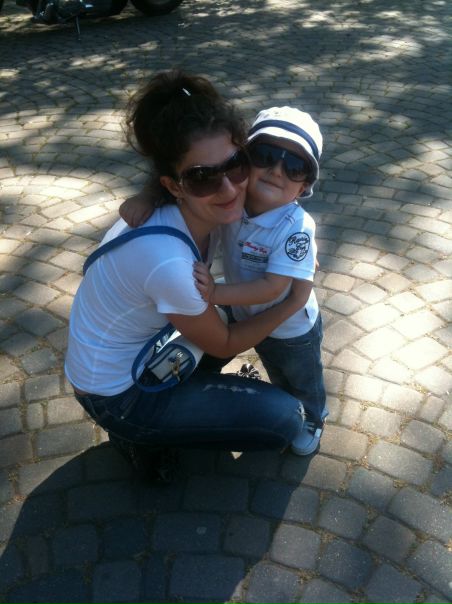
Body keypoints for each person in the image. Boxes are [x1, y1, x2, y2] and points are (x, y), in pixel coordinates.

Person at [65, 70, 308, 482]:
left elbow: (281, 202)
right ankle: (138, 436)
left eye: (236, 165)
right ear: (174, 186)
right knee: (287, 419)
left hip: (135, 352)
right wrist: (292, 301)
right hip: (116, 397)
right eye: (202, 177)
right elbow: (226, 341)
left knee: (225, 307)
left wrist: (293, 256)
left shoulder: (189, 206)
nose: (229, 189)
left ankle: (186, 401)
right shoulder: (169, 263)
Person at [120, 105, 327, 456]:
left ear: (304, 186)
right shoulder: (233, 197)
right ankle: (278, 404)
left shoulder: (296, 227)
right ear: (244, 160)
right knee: (270, 366)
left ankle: (313, 417)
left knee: (300, 377)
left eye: (294, 166)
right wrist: (147, 195)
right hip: (247, 312)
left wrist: (215, 293)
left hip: (291, 327)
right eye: (265, 155)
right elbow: (187, 181)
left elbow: (275, 288)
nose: (277, 170)